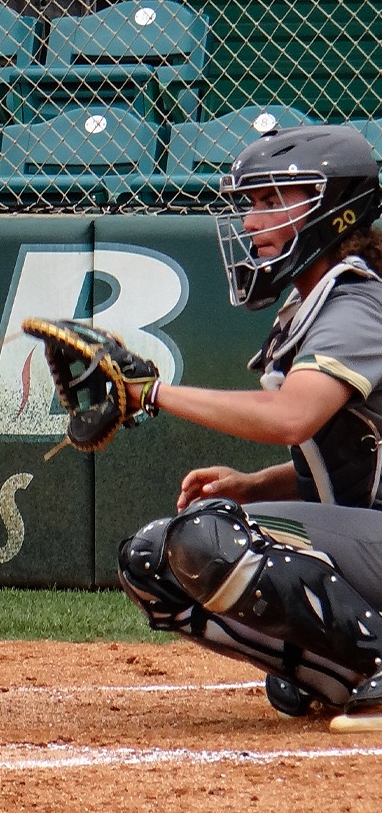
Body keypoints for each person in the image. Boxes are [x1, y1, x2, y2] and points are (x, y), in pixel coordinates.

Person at [114, 124, 382, 733]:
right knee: (153, 558)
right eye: (251, 204)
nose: (253, 221)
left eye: (271, 202)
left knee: (210, 539)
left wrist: (154, 392)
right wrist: (255, 485)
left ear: (335, 207)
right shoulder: (319, 301)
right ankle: (338, 673)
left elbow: (293, 415)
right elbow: (360, 464)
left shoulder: (358, 303)